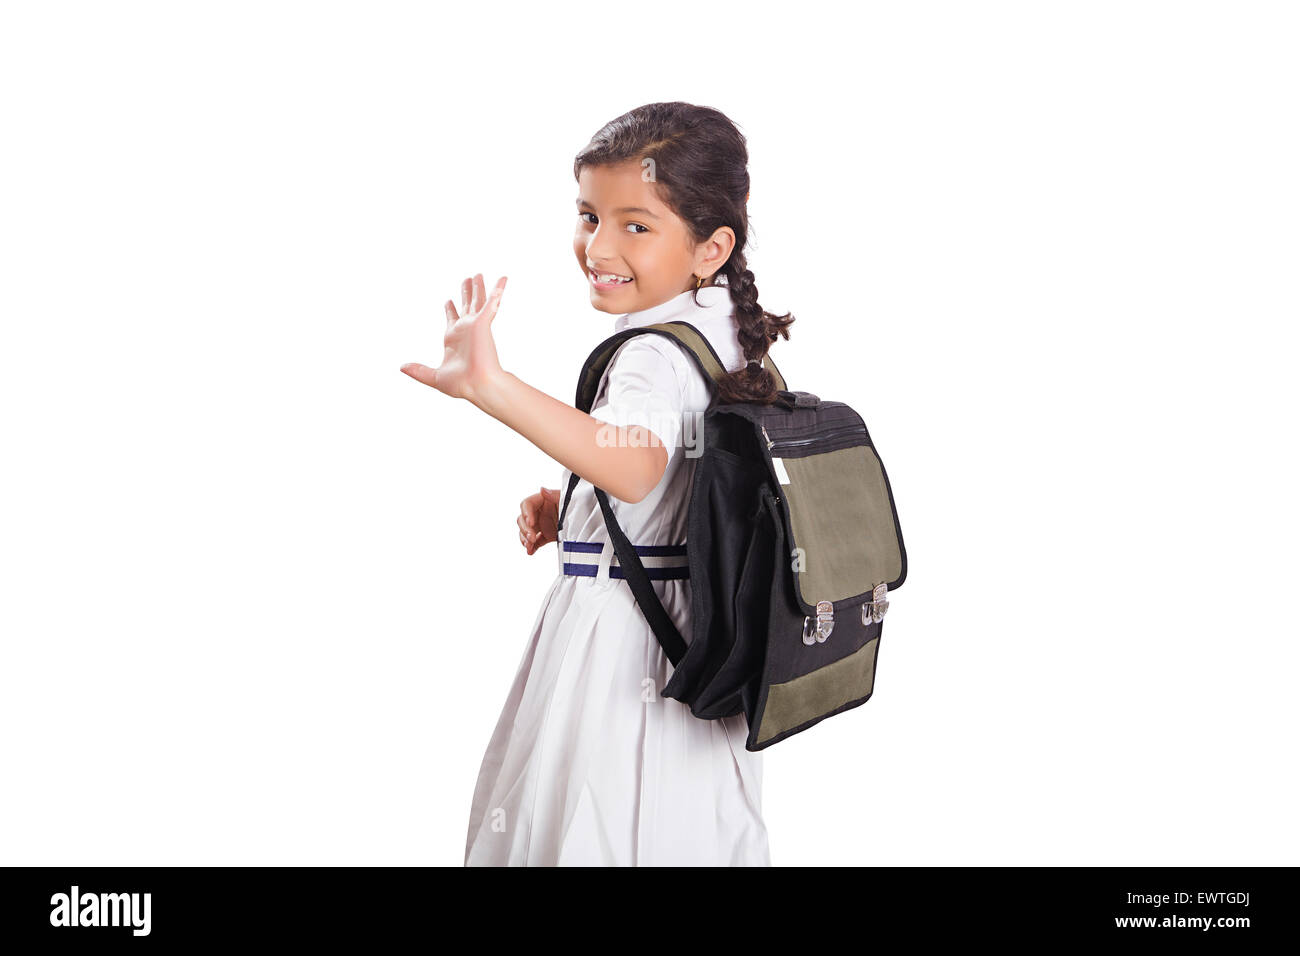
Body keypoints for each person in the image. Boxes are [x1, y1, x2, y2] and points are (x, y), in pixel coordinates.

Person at [401, 102, 794, 866]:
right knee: (676, 829)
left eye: (635, 225)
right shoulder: (720, 321)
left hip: (625, 648)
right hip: (692, 636)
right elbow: (683, 472)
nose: (599, 246)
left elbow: (639, 464)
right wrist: (581, 507)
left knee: (596, 822)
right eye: (588, 216)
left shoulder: (652, 351)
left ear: (712, 246)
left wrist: (490, 385)